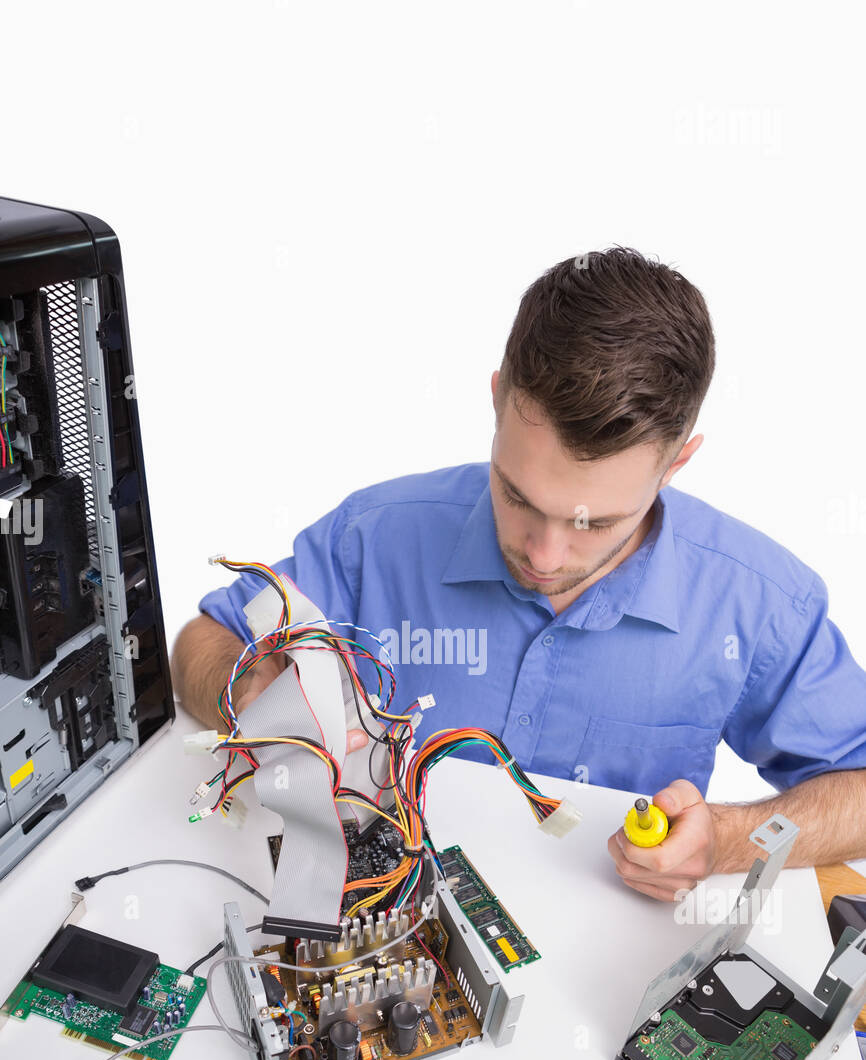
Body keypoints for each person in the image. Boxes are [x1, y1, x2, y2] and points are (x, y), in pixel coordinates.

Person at [172, 249, 866, 901]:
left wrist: (730, 841)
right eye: (517, 496)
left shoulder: (759, 601)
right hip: (390, 923)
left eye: (595, 522)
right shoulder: (376, 535)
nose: (544, 555)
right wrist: (265, 705)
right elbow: (205, 643)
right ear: (499, 399)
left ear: (676, 463)